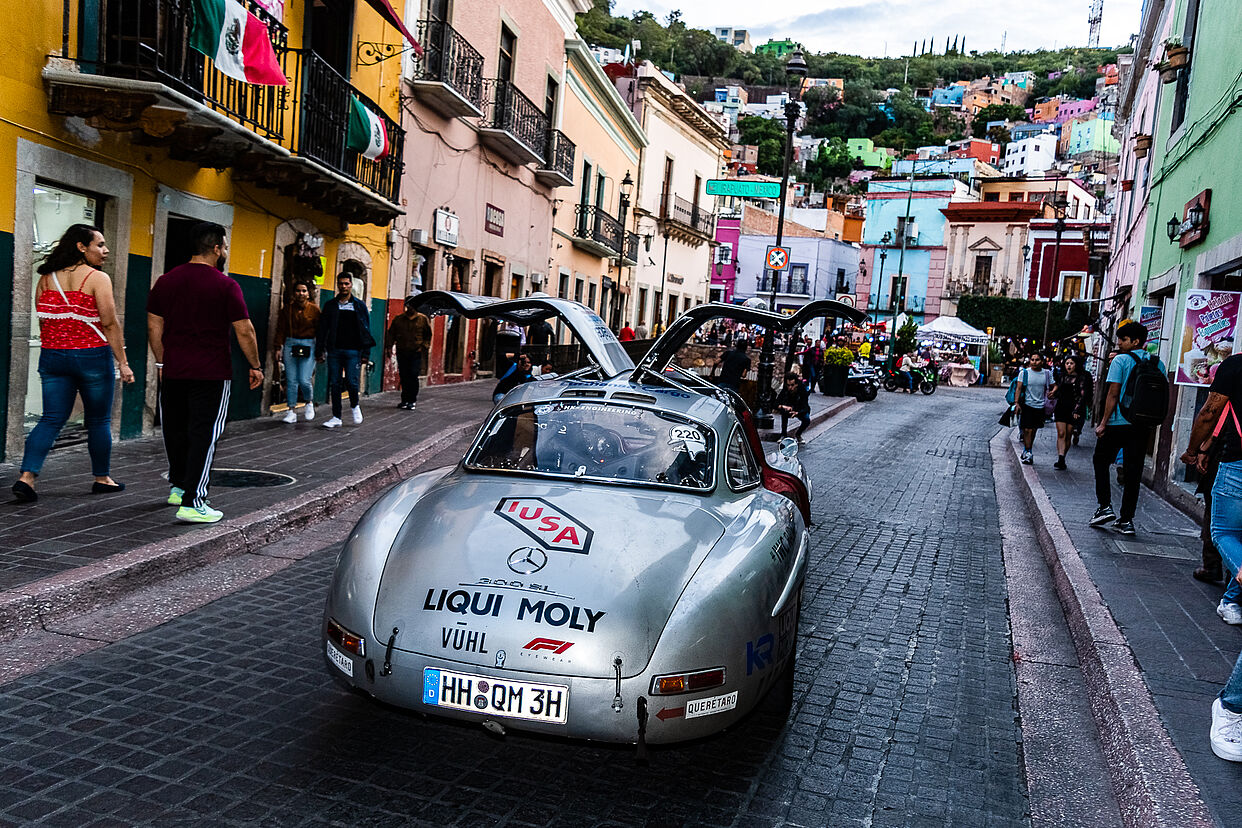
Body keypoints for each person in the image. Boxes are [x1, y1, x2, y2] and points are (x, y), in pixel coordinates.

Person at [147, 221, 263, 524]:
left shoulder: (165, 281)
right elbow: (245, 330)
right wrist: (255, 365)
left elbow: (154, 326)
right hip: (211, 372)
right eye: (224, 247)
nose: (225, 251)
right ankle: (193, 502)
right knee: (204, 435)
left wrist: (162, 362)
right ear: (216, 248)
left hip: (174, 370)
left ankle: (178, 487)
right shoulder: (226, 285)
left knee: (175, 430)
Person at [11, 225, 135, 503]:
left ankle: (27, 477)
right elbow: (110, 323)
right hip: (92, 355)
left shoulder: (46, 278)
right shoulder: (97, 278)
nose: (105, 251)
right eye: (100, 245)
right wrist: (123, 362)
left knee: (51, 418)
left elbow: (43, 318)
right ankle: (102, 478)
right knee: (99, 420)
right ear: (81, 246)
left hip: (53, 355)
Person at [1177, 353, 1242, 760]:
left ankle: (1232, 707)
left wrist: (1192, 448)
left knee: (1225, 532)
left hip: (1237, 465)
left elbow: (1209, 412)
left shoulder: (1235, 367)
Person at [1090, 321, 1164, 535]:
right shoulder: (1157, 363)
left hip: (1118, 422)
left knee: (1100, 461)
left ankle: (1104, 506)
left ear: (1135, 341)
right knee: (1134, 472)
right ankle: (1126, 520)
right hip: (1141, 426)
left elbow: (1113, 393)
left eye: (1123, 339)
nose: (1119, 343)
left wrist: (1103, 422)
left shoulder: (1120, 360)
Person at [316, 273, 374, 428]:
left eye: (346, 283)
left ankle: (355, 405)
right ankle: (336, 417)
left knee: (351, 381)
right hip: (334, 350)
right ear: (337, 284)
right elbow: (323, 329)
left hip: (353, 351)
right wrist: (320, 350)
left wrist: (366, 353)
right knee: (335, 383)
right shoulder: (330, 305)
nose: (343, 286)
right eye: (341, 283)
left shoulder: (359, 306)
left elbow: (366, 330)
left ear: (351, 285)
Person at [272, 282, 320, 423]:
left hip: (309, 344)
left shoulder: (315, 310)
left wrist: (320, 349)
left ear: (308, 293)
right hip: (290, 343)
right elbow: (280, 329)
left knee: (304, 379)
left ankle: (309, 402)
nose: (301, 294)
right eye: (298, 291)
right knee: (291, 379)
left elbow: (320, 330)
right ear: (294, 293)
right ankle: (291, 410)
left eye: (304, 291)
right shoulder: (287, 310)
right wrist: (278, 347)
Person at [384, 296, 431, 411]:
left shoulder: (423, 319)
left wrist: (423, 347)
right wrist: (389, 347)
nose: (410, 308)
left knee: (413, 375)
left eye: (413, 305)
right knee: (404, 376)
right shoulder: (399, 319)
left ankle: (412, 400)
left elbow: (428, 335)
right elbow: (391, 334)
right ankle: (404, 400)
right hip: (402, 351)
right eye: (408, 305)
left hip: (416, 352)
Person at [1050, 354, 1092, 469]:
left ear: (1076, 365)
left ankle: (1063, 456)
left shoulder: (1083, 377)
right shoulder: (1062, 376)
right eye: (1067, 363)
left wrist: (1078, 410)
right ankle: (1060, 458)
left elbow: (1083, 395)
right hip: (1061, 407)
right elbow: (1058, 389)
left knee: (1068, 434)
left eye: (1071, 363)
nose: (1069, 365)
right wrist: (1053, 393)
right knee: (1061, 433)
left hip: (1074, 409)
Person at [1013, 352, 1050, 465]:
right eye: (1032, 359)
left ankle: (1028, 449)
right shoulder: (1024, 373)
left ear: (1042, 361)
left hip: (1040, 406)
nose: (1034, 362)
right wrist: (1016, 403)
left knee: (1033, 430)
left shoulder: (1047, 374)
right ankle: (1028, 451)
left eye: (1037, 360)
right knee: (1027, 429)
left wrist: (1053, 392)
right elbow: (1018, 388)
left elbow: (1054, 386)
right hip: (1027, 405)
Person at [776, 372, 812, 441]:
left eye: (792, 385)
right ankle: (783, 434)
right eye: (788, 385)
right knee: (784, 413)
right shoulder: (785, 390)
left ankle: (798, 434)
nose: (790, 388)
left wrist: (797, 412)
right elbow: (776, 403)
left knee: (806, 420)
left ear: (796, 384)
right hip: (789, 409)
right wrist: (783, 406)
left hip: (799, 409)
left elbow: (805, 407)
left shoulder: (802, 390)